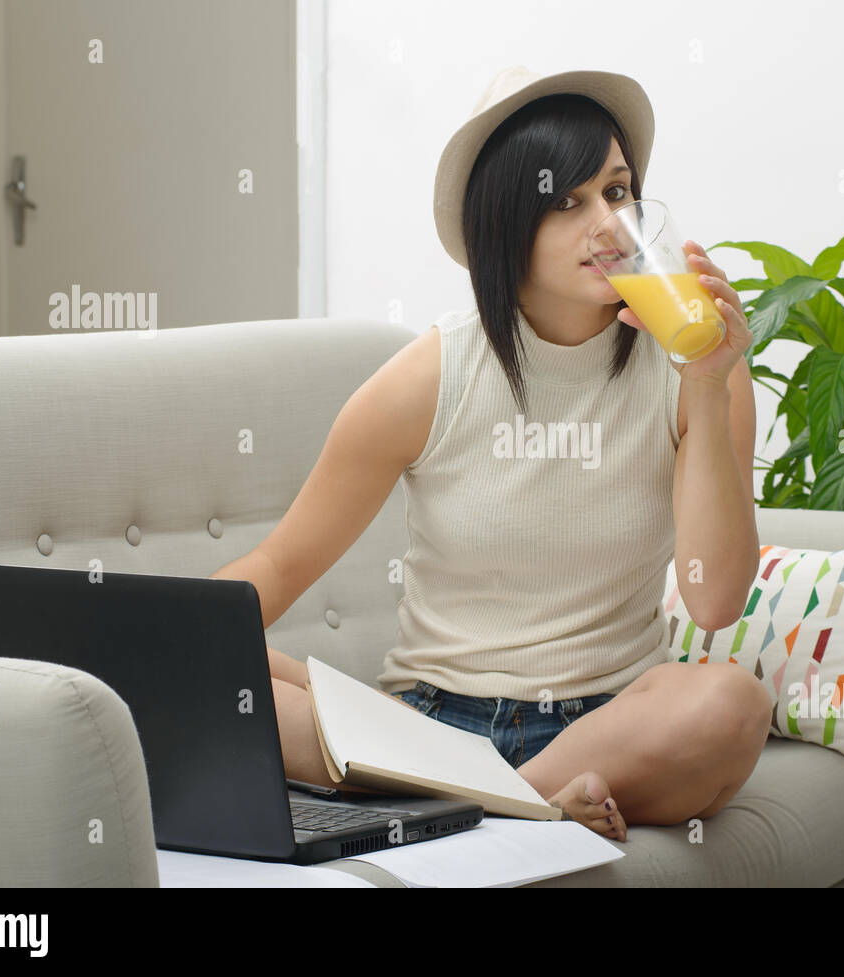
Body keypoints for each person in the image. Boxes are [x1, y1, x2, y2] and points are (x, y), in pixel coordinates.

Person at [212, 66, 769, 843]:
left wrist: (708, 386)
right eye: (567, 203)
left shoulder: (694, 371)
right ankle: (516, 803)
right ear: (507, 224)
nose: (606, 222)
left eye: (616, 191)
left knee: (731, 703)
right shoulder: (431, 376)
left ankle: (461, 806)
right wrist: (168, 636)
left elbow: (714, 602)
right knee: (231, 679)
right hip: (427, 726)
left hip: (606, 727)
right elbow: (278, 567)